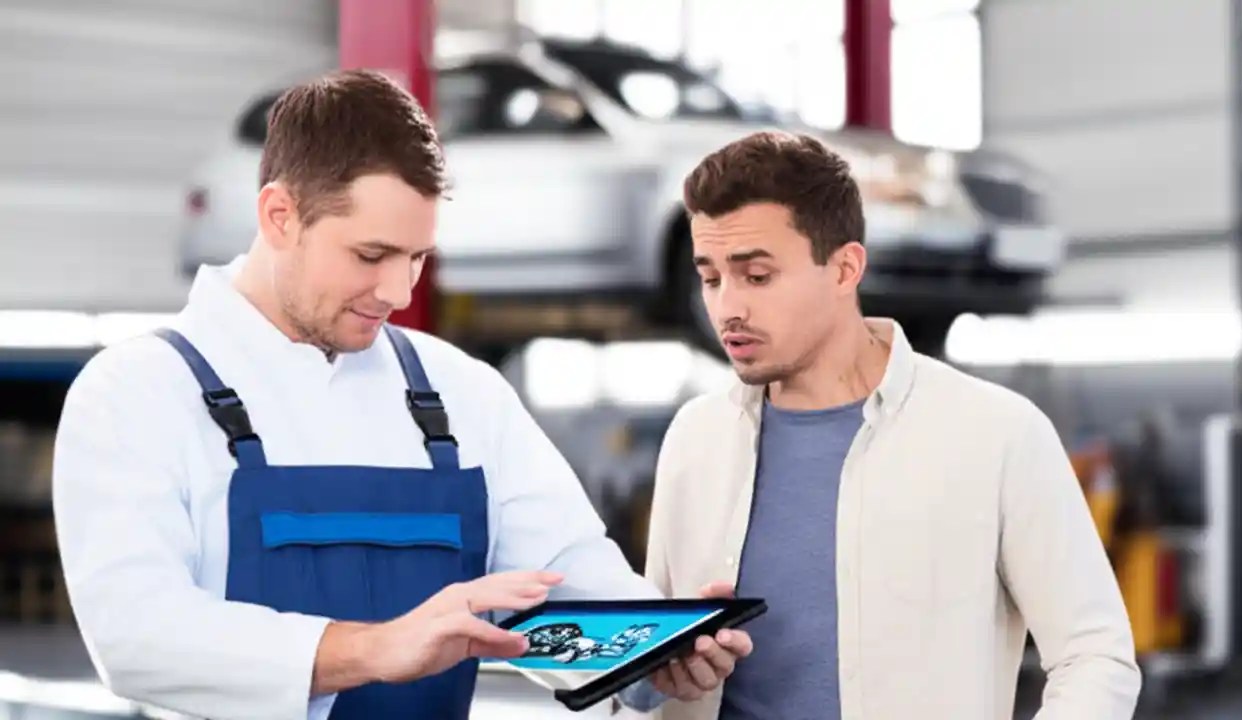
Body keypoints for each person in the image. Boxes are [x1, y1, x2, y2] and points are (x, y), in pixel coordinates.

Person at [51, 69, 750, 720]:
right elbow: (136, 632)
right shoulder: (137, 393)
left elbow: (560, 581)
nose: (399, 292)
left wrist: (652, 648)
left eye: (417, 258)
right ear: (279, 216)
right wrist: (375, 649)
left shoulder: (458, 391)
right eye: (371, 255)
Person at [642, 131, 1141, 719]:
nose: (728, 307)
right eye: (710, 277)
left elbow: (1094, 653)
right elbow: (653, 673)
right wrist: (662, 668)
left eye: (757, 276)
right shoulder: (696, 438)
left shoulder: (996, 433)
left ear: (845, 268)